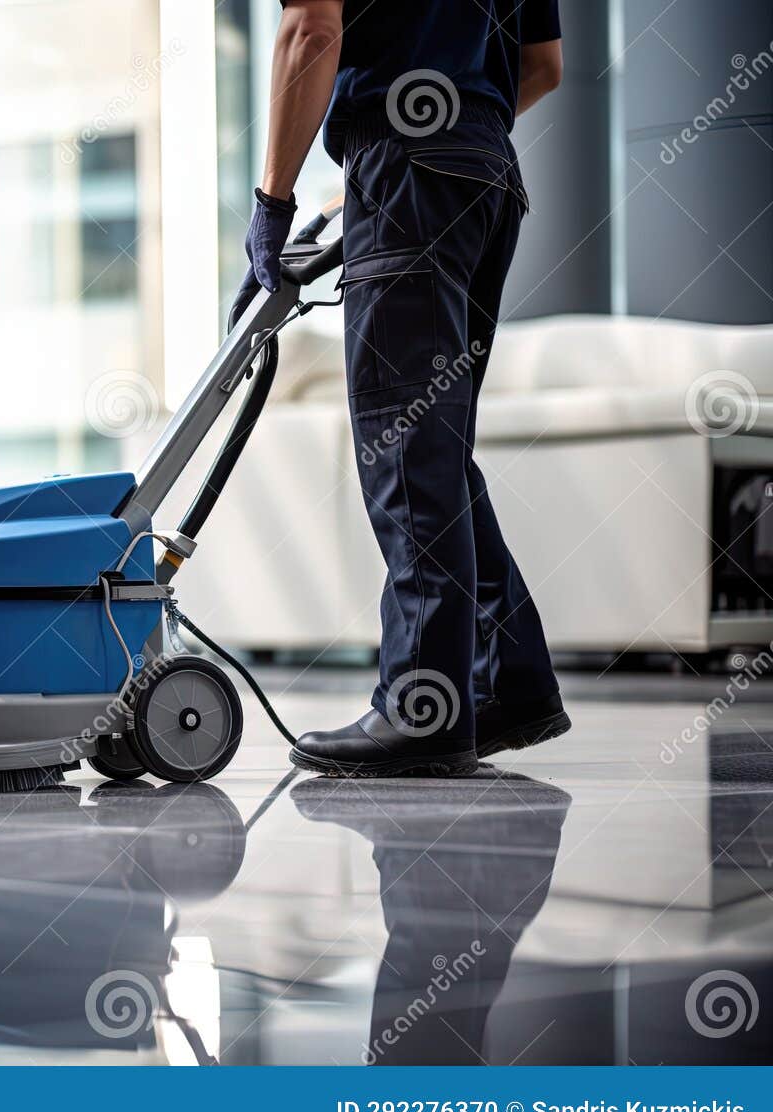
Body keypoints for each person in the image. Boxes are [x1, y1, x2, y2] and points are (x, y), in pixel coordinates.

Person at [245, 1, 571, 777]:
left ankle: (421, 709)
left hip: (409, 171)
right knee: (437, 451)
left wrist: (272, 203)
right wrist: (450, 133)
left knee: (406, 448)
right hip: (487, 174)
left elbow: (313, 30)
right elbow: (543, 67)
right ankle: (510, 681)